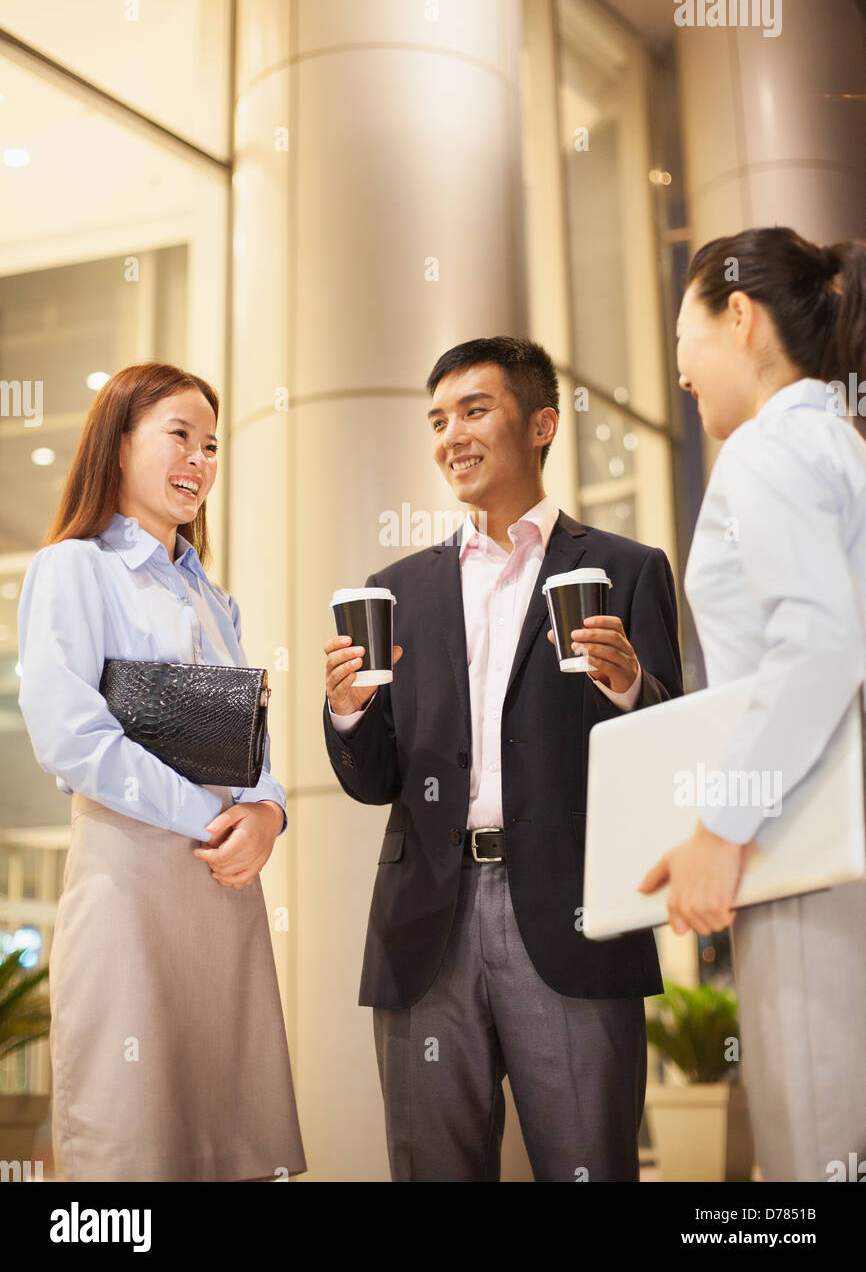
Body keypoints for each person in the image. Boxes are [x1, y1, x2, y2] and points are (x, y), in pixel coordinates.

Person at [323, 337, 683, 1181]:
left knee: (588, 1162)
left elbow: (672, 753)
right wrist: (345, 713)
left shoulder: (624, 570)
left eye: (476, 411)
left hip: (574, 914)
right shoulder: (396, 590)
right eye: (439, 419)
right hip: (424, 927)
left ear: (542, 423)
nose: (453, 435)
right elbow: (374, 779)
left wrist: (631, 686)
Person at [17, 362, 306, 1183]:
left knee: (226, 1136)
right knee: (132, 1138)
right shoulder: (74, 568)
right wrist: (207, 817)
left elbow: (247, 735)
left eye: (211, 444)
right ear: (118, 444)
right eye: (179, 435)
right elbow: (72, 738)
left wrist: (268, 812)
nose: (201, 459)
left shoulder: (214, 599)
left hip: (223, 891)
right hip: (131, 883)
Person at [640, 227, 866, 1182]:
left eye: (684, 339)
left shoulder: (771, 448)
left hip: (812, 848)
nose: (682, 373)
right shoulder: (838, 442)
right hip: (834, 839)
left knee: (815, 1147)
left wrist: (720, 827)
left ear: (738, 316)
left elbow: (817, 645)